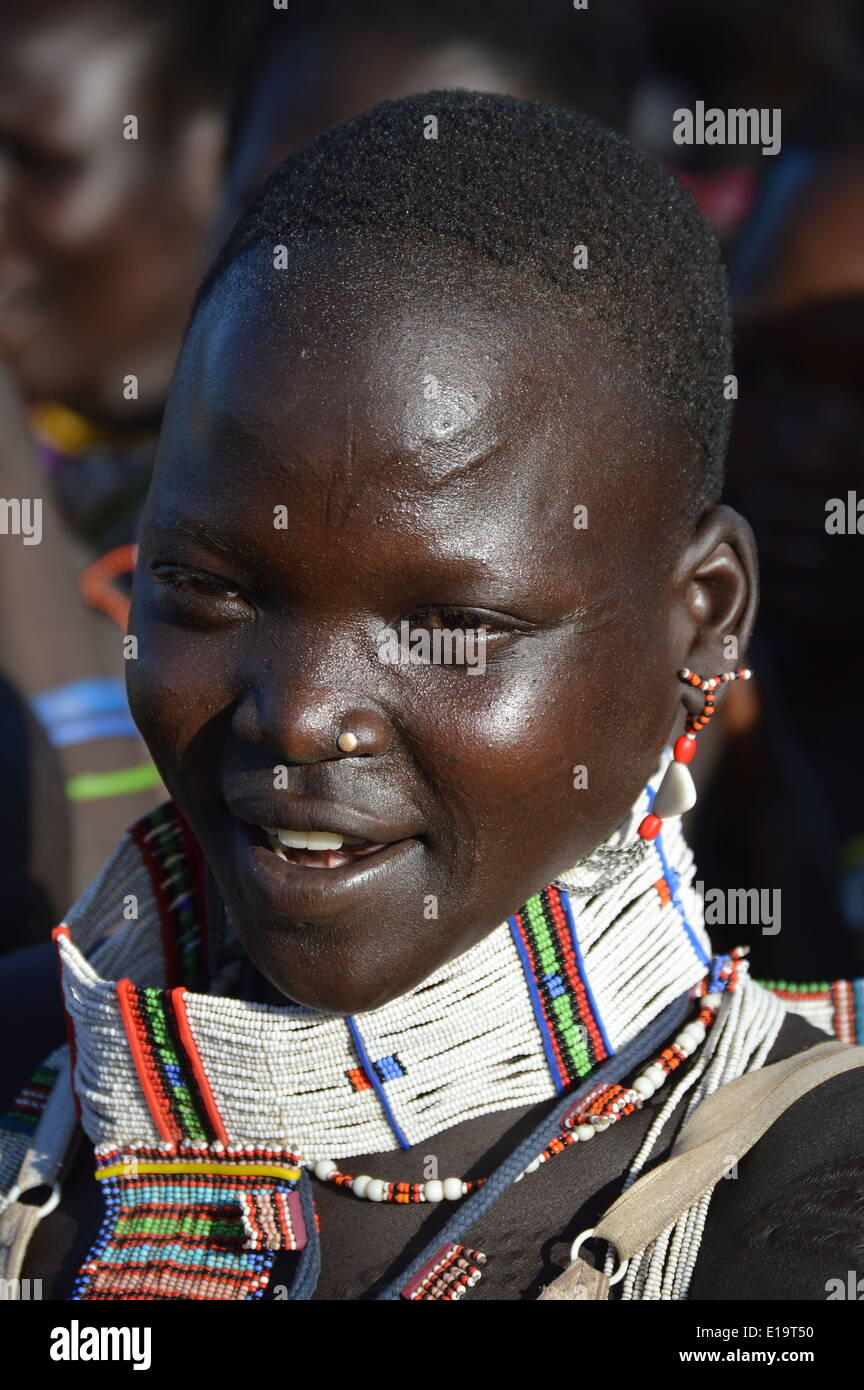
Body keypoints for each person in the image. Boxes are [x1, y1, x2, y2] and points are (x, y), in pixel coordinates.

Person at [1, 91, 862, 1302]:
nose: (300, 715)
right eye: (206, 588)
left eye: (453, 626)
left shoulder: (811, 1201)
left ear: (704, 617)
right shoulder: (29, 1085)